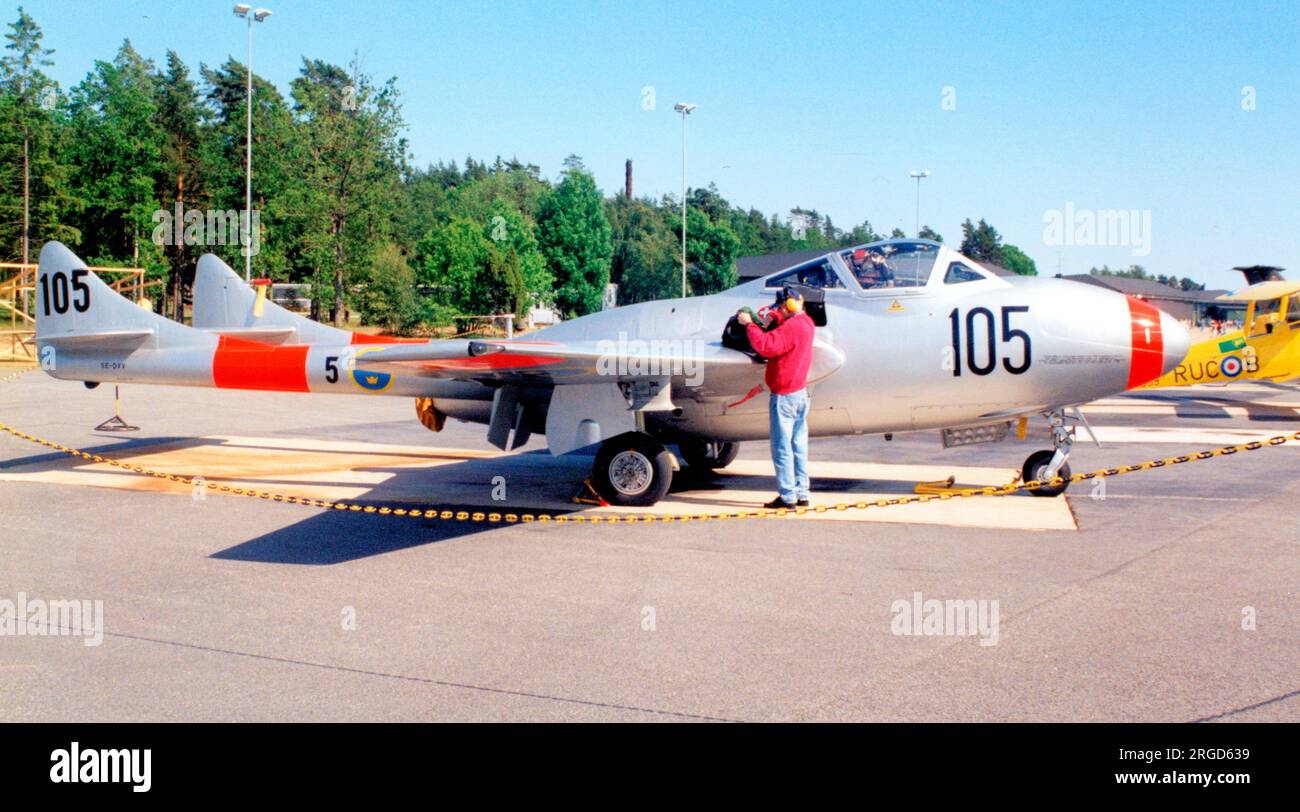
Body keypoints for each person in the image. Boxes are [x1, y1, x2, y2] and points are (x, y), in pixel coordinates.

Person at [736, 286, 815, 508]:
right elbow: (788, 330)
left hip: (784, 397)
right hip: (801, 394)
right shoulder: (806, 323)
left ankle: (787, 497)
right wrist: (777, 316)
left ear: (787, 305)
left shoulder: (791, 328)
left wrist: (749, 324)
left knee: (782, 448)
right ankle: (802, 493)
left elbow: (765, 346)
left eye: (781, 305)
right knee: (799, 446)